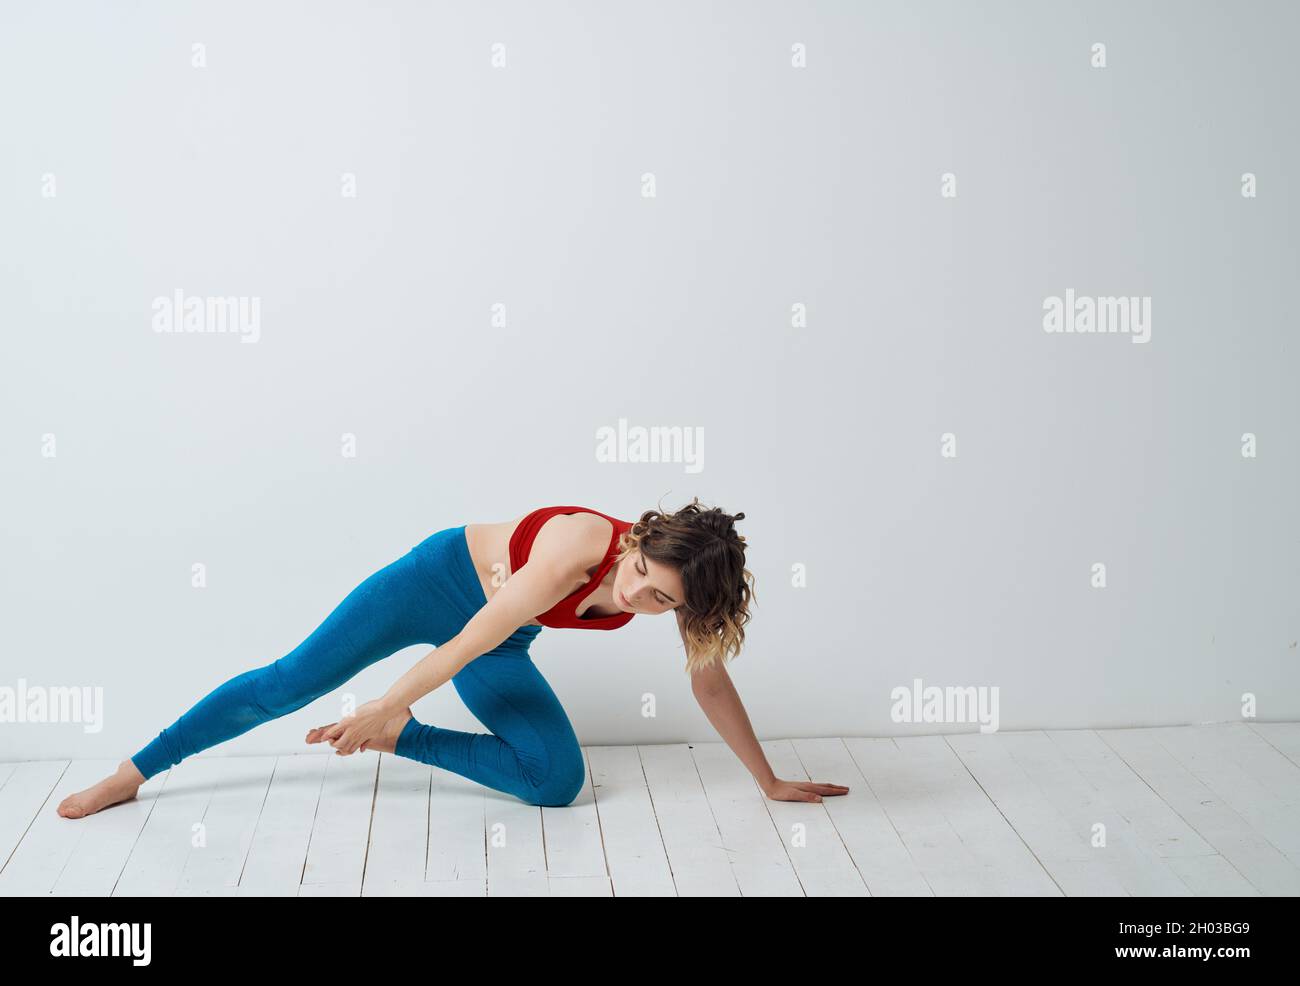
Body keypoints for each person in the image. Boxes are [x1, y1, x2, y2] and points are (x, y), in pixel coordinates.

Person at [57, 497, 848, 817]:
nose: (639, 594)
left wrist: (768, 779)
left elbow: (710, 687)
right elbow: (472, 632)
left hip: (503, 629)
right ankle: (134, 772)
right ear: (637, 539)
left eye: (662, 601)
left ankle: (408, 745)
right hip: (434, 587)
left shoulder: (677, 597)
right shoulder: (581, 544)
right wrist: (383, 698)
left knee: (558, 783)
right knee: (288, 683)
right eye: (640, 572)